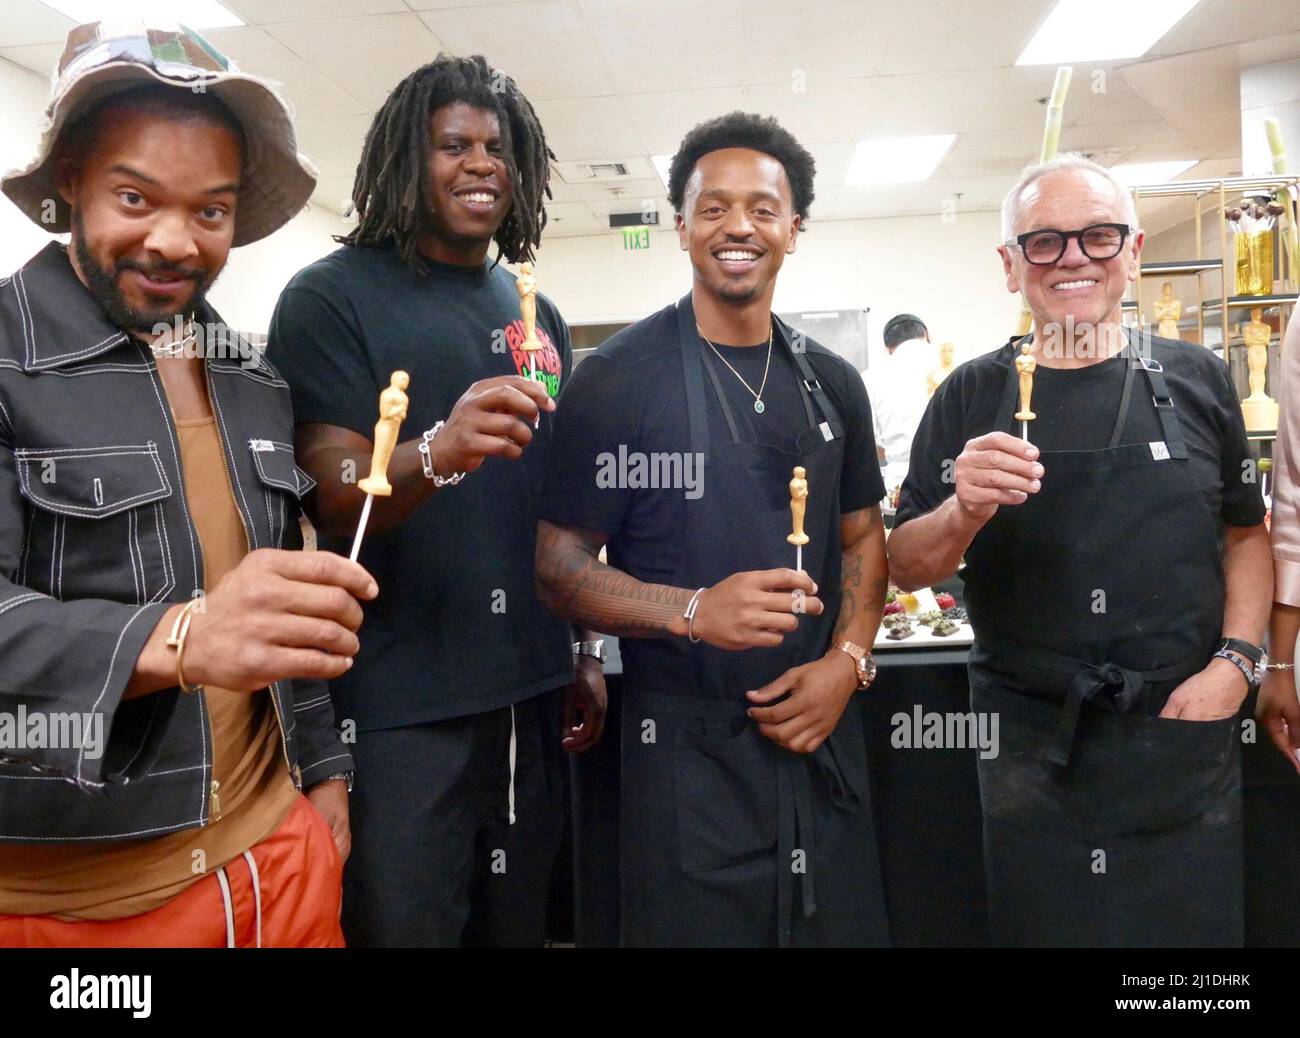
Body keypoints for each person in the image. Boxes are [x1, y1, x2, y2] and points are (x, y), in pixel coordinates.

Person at [0, 21, 376, 947]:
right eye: (136, 196)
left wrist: (322, 772)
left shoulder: (251, 378)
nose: (173, 242)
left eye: (210, 211)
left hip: (276, 860)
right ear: (70, 184)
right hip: (78, 908)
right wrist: (180, 637)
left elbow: (279, 598)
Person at [887, 153, 1271, 947]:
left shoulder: (1198, 379)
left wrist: (1235, 667)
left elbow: (1245, 534)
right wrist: (962, 510)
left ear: (1131, 252)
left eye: (1098, 237)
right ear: (1009, 266)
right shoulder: (969, 395)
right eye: (1045, 242)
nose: (1073, 259)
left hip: (1181, 725)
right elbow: (903, 562)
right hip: (1031, 745)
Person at [269, 54, 605, 948]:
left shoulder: (535, 313)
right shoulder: (329, 298)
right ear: (405, 160)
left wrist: (578, 648)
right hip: (400, 704)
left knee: (519, 927)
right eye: (453, 144)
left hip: (528, 693)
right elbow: (332, 496)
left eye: (498, 147)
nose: (481, 163)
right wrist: (440, 452)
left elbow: (541, 507)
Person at [535, 112, 891, 947]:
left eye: (764, 209)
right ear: (682, 226)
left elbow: (864, 542)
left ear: (794, 229)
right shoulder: (618, 381)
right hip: (684, 760)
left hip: (821, 740)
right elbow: (557, 564)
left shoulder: (832, 382)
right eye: (715, 207)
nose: (739, 226)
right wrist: (693, 610)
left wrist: (847, 661)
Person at [863, 313, 931, 507]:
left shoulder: (871, 377)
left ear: (888, 348)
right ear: (926, 334)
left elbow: (871, 443)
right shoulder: (955, 364)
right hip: (953, 476)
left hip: (900, 480)